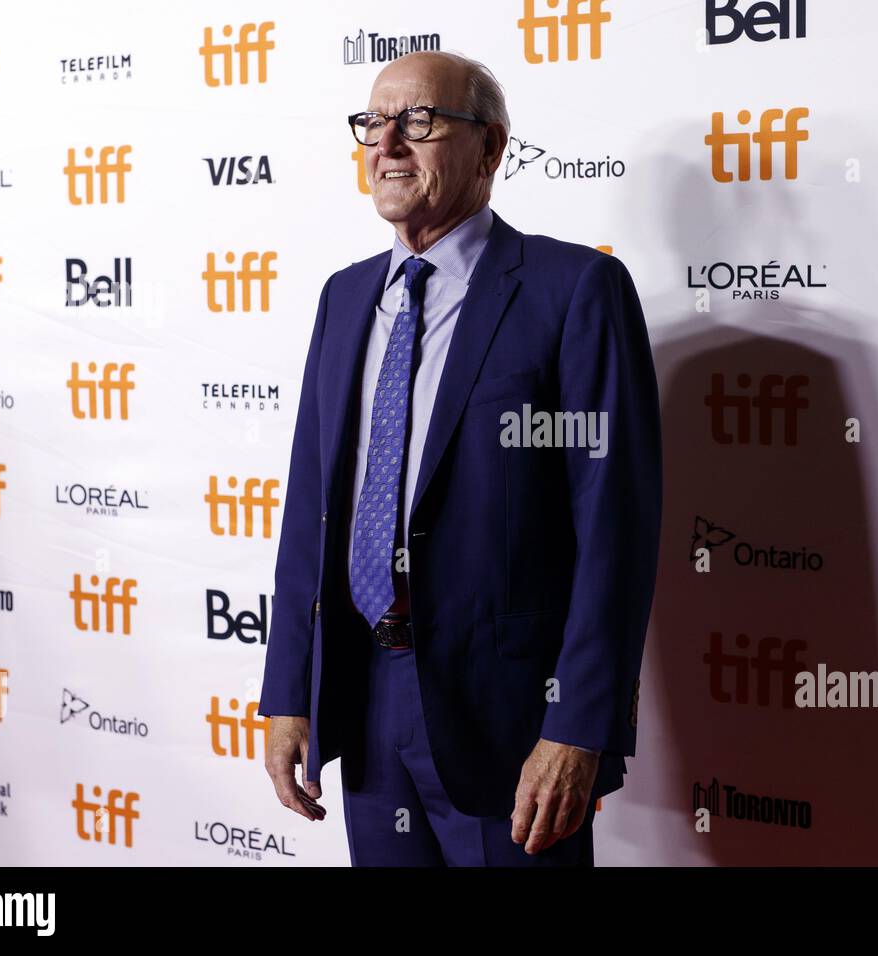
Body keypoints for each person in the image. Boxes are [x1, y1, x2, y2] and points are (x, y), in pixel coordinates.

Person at [258, 49, 662, 866]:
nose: (389, 145)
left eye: (421, 122)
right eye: (374, 123)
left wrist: (577, 725)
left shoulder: (574, 289)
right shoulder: (344, 296)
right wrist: (288, 692)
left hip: (511, 721)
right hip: (366, 703)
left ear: (492, 148)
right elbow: (312, 508)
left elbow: (614, 529)